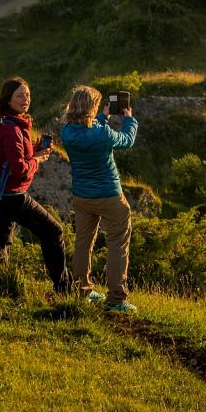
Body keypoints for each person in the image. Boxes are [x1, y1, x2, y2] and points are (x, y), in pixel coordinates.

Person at [57, 85, 138, 314]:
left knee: (83, 243)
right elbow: (126, 139)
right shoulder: (103, 134)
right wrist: (129, 120)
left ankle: (82, 289)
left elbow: (88, 130)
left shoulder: (66, 131)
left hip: (82, 196)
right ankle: (116, 298)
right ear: (91, 107)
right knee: (117, 244)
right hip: (109, 195)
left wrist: (103, 116)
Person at [0, 77, 71, 295]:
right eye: (20, 95)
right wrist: (38, 159)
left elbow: (16, 155)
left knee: (2, 240)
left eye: (28, 95)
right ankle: (64, 289)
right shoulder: (11, 129)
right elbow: (19, 169)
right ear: (8, 99)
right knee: (53, 231)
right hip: (11, 194)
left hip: (1, 192)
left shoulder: (12, 122)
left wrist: (35, 149)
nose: (25, 99)